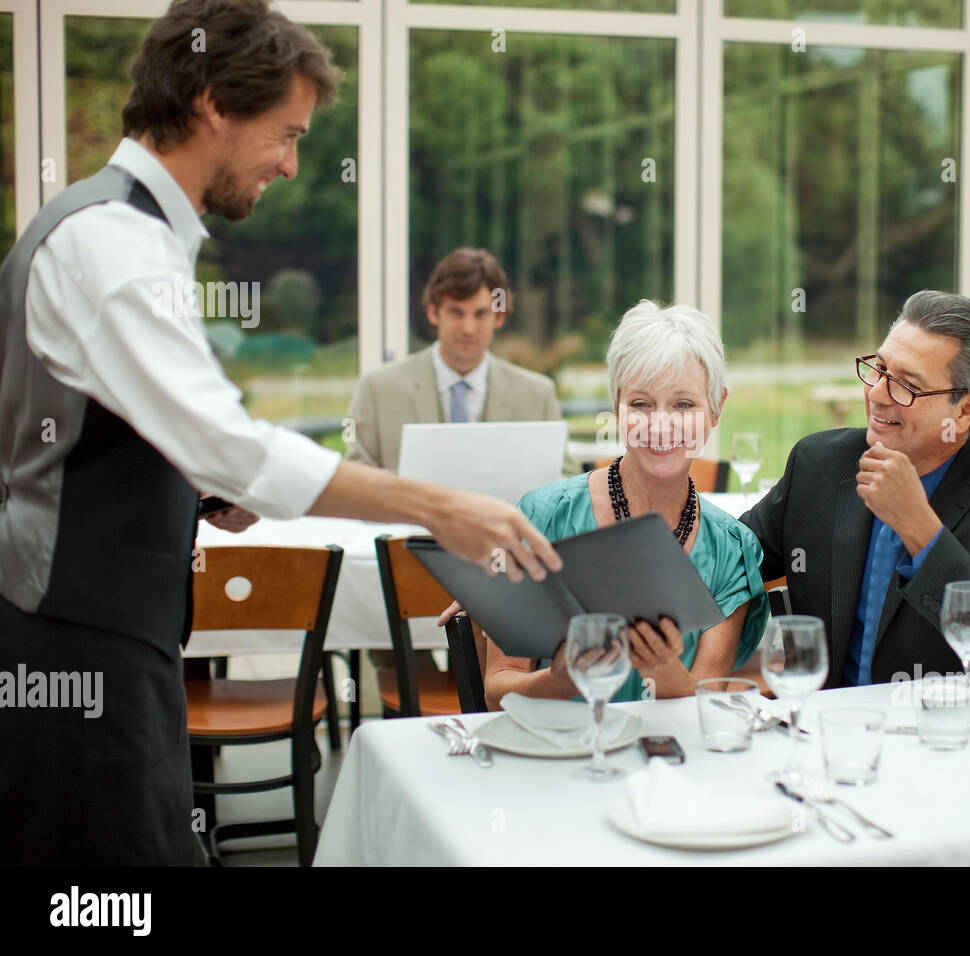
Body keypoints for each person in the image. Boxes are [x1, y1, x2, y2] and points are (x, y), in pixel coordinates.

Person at [0, 0, 558, 866]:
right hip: (79, 647)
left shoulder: (121, 231)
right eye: (285, 134)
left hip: (106, 636)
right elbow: (230, 441)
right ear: (215, 104)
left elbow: (131, 433)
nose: (295, 166)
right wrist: (440, 507)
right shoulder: (111, 244)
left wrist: (194, 487)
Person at [741, 291, 970, 695]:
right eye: (879, 368)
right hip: (826, 727)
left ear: (966, 410)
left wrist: (919, 528)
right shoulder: (820, 464)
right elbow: (732, 565)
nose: (878, 394)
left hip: (942, 738)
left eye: (906, 384)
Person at [442, 301, 769, 707]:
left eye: (684, 404)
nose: (660, 425)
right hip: (561, 756)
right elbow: (498, 691)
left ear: (716, 406)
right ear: (616, 405)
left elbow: (707, 706)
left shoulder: (731, 551)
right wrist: (561, 681)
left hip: (668, 761)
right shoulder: (543, 517)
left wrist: (663, 668)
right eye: (641, 404)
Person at [343, 248, 568, 471]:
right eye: (456, 313)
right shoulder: (377, 389)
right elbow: (355, 479)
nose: (468, 329)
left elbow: (564, 479)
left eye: (480, 314)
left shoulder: (538, 396)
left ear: (499, 317)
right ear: (433, 313)